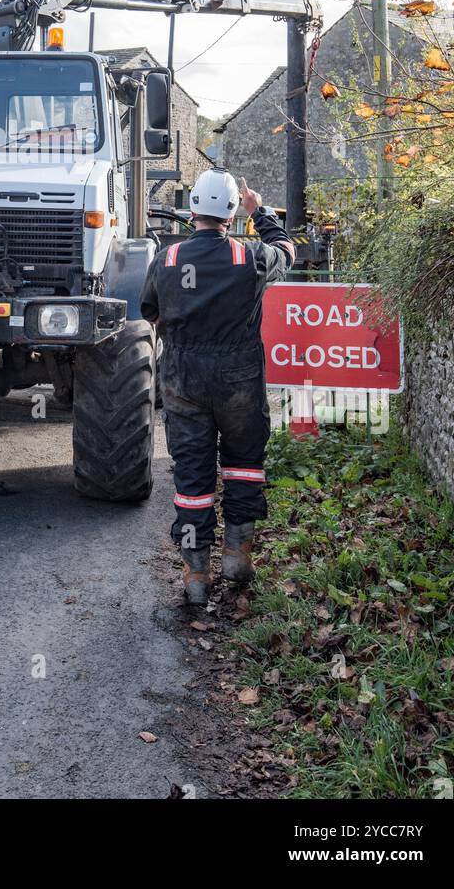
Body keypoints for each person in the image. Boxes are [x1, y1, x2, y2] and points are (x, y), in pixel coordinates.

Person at [140, 169, 295, 605]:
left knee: (193, 474)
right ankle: (238, 554)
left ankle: (195, 573)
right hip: (238, 377)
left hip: (183, 376)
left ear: (192, 209)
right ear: (231, 213)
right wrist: (259, 211)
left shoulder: (165, 259)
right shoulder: (252, 257)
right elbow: (288, 250)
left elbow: (149, 311)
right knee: (245, 463)